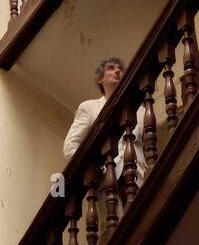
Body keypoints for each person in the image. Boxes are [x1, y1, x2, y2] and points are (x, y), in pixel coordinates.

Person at [62, 57, 147, 192]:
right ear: (100, 79)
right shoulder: (89, 107)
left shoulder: (140, 109)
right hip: (108, 183)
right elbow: (70, 147)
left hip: (140, 180)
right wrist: (95, 168)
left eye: (120, 69)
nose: (117, 71)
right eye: (111, 68)